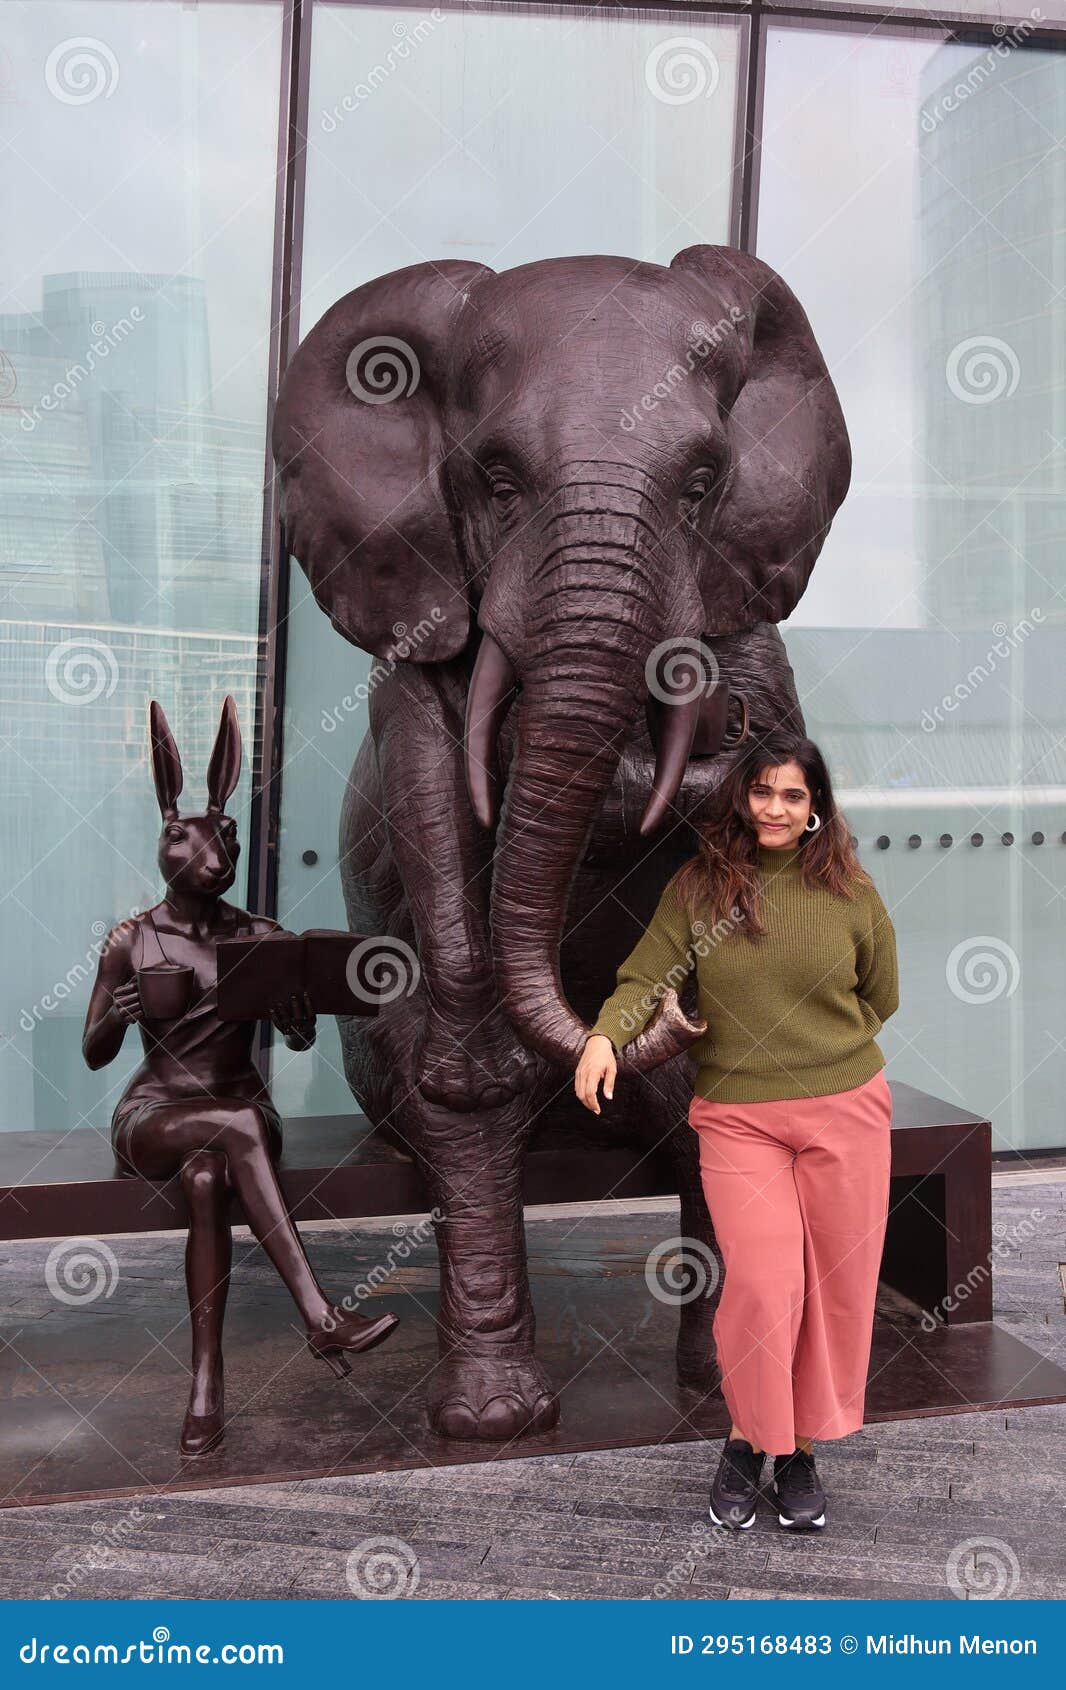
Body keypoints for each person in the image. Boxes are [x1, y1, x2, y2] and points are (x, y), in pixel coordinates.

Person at [574, 730, 899, 1533]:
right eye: (763, 791)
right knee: (762, 1286)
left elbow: (882, 996)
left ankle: (797, 1454)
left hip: (846, 1110)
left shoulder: (853, 891)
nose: (776, 808)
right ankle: (748, 1438)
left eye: (794, 794)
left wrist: (817, 1048)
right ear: (742, 798)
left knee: (834, 1296)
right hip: (739, 1118)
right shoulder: (700, 888)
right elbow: (645, 978)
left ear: (817, 805)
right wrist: (602, 1036)